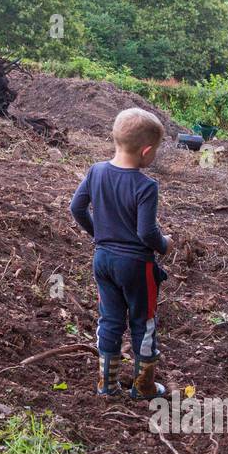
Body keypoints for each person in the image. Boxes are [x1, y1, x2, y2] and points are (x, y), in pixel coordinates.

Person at [69, 108, 172, 399]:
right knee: (143, 322)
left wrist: (99, 234)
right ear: (146, 151)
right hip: (137, 266)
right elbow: (146, 233)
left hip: (103, 260)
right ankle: (144, 386)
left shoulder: (96, 171)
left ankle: (107, 384)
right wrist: (165, 244)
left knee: (110, 320)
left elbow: (76, 208)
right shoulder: (146, 185)